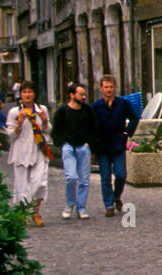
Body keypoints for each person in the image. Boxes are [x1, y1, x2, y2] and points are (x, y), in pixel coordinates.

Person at [91, 74, 139, 217]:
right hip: (102, 146)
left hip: (118, 144)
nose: (109, 90)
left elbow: (134, 118)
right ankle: (109, 205)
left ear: (115, 88)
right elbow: (90, 125)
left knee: (121, 174)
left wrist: (127, 133)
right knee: (105, 177)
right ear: (101, 88)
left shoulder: (123, 104)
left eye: (111, 87)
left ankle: (116, 196)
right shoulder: (96, 106)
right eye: (106, 87)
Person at [7, 80, 51, 226]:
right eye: (24, 92)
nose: (27, 95)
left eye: (30, 92)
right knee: (22, 184)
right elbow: (10, 135)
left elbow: (48, 130)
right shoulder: (14, 112)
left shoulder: (41, 109)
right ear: (20, 94)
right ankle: (24, 211)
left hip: (39, 149)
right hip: (21, 150)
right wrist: (19, 123)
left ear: (34, 94)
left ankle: (36, 211)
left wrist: (45, 121)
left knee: (40, 182)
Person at [52, 82, 96, 220]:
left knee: (84, 180)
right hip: (69, 146)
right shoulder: (63, 110)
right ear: (72, 95)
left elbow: (94, 127)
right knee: (71, 177)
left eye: (84, 94)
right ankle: (69, 204)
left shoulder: (88, 110)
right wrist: (61, 144)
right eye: (81, 94)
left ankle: (81, 208)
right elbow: (56, 129)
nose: (84, 97)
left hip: (83, 147)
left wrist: (89, 143)